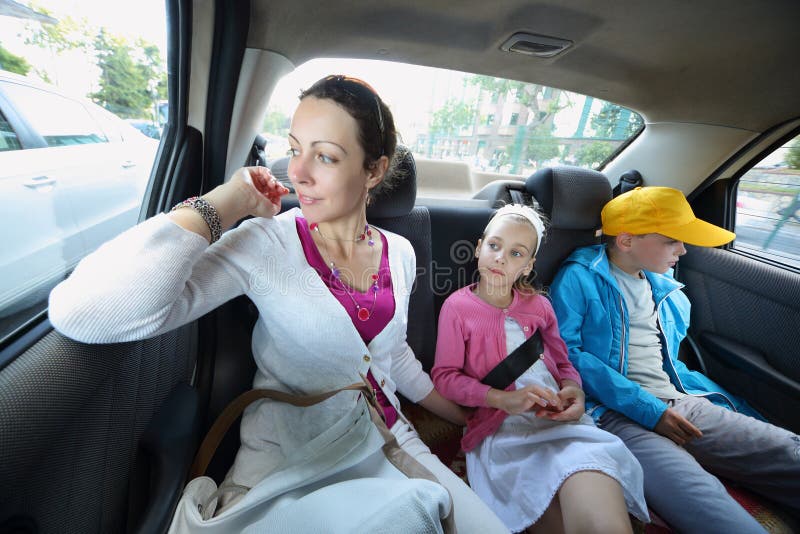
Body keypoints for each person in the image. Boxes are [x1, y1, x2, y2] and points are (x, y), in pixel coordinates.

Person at [49, 74, 508, 532]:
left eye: (324, 155)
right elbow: (84, 313)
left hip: (389, 441)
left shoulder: (401, 252)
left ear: (374, 170)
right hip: (286, 464)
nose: (298, 172)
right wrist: (225, 202)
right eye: (294, 150)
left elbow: (394, 358)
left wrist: (467, 414)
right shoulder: (265, 242)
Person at [549, 186, 800, 533]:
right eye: (672, 240)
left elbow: (667, 357)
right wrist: (649, 411)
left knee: (788, 452)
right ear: (626, 240)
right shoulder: (579, 277)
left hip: (677, 400)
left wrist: (669, 405)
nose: (683, 249)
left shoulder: (661, 282)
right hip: (614, 414)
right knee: (706, 503)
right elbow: (567, 355)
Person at [432, 204, 649, 534]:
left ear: (529, 265)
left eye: (516, 253)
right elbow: (445, 377)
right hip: (502, 430)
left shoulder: (540, 307)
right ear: (479, 248)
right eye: (494, 246)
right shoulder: (458, 308)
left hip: (558, 424)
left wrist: (573, 390)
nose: (501, 258)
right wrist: (501, 399)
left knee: (597, 509)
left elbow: (563, 363)